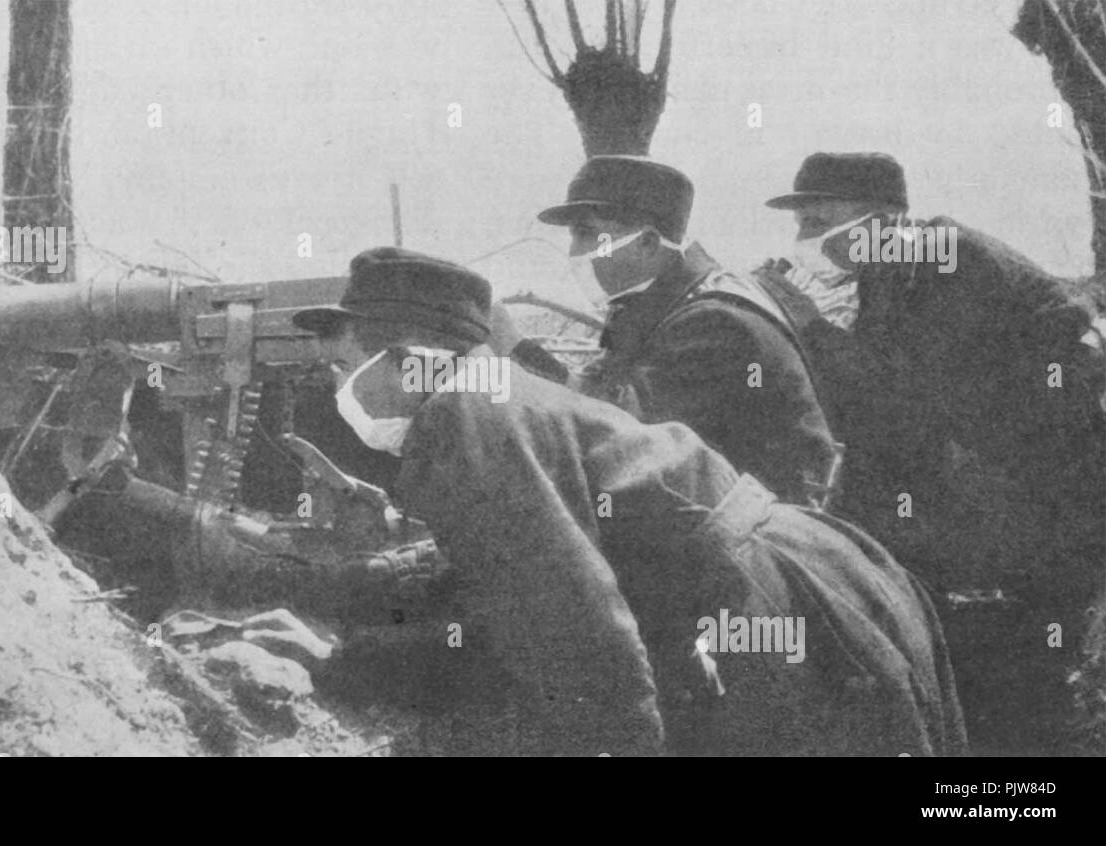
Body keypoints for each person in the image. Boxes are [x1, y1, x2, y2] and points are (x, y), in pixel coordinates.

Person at [291, 245, 968, 756]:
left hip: (759, 601)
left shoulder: (469, 413)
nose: (338, 386)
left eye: (345, 366)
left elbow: (574, 627)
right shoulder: (498, 396)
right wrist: (346, 636)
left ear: (412, 361)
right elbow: (501, 578)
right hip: (799, 571)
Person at [759, 151, 1106, 753]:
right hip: (999, 528)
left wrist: (808, 325)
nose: (804, 241)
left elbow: (905, 414)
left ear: (881, 223)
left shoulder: (950, 263)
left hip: (1034, 535)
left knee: (1014, 712)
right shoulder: (897, 275)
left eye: (817, 223)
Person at [536, 155, 838, 507]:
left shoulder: (715, 324)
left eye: (586, 233)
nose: (575, 251)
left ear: (647, 243)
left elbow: (614, 429)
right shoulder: (669, 303)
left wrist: (516, 352)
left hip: (764, 539)